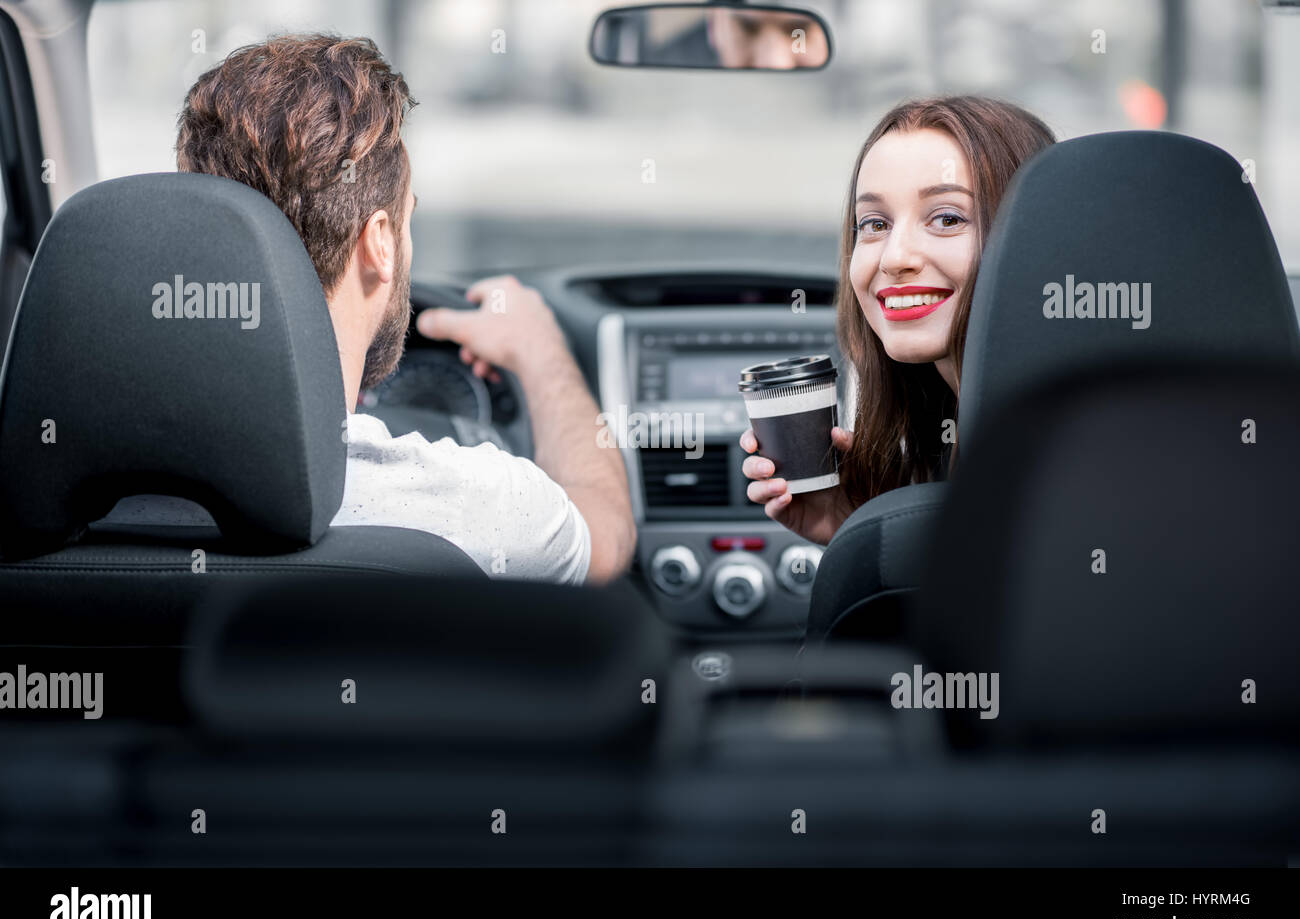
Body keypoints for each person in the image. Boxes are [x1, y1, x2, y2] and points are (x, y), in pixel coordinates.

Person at [176, 34, 635, 584]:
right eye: (406, 217)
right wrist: (542, 355)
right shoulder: (479, 510)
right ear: (380, 243)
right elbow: (609, 534)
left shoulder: (81, 493)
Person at [741, 95, 1055, 545]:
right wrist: (864, 531)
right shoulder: (952, 449)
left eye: (947, 218)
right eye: (873, 224)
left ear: (1036, 236)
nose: (895, 258)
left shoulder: (1071, 461)